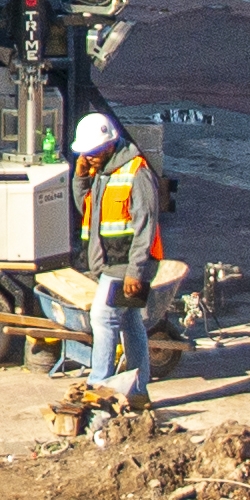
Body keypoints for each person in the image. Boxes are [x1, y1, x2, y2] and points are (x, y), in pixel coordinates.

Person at [62, 110, 161, 404]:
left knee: (103, 317)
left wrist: (136, 271)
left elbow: (146, 225)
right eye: (85, 154)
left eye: (92, 153)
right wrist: (80, 178)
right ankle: (138, 391)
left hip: (128, 265)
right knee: (130, 322)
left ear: (108, 146)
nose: (88, 158)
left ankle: (99, 387)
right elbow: (88, 213)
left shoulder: (136, 173)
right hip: (112, 264)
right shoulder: (103, 174)